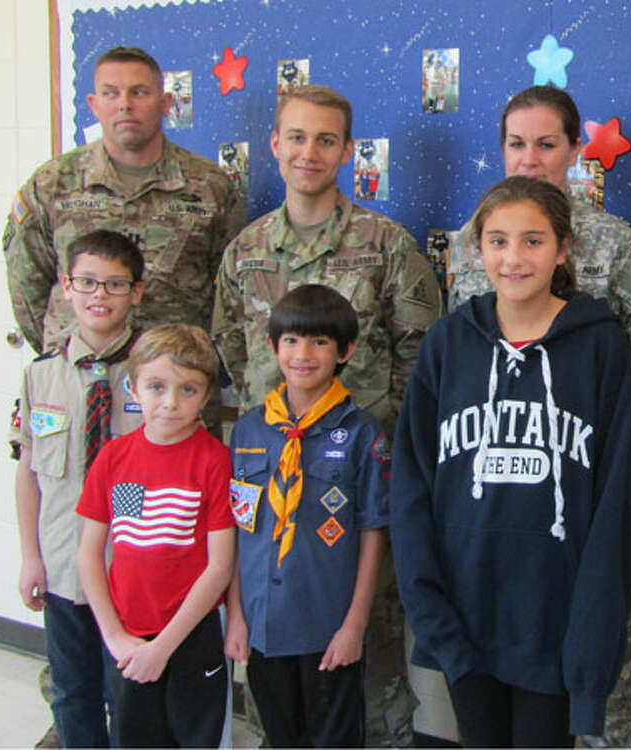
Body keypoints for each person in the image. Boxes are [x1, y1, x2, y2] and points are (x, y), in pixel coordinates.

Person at [447, 85, 631, 746]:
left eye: (546, 144)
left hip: (587, 483)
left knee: (606, 657)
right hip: (498, 486)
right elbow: (459, 363)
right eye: (516, 144)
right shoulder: (471, 243)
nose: (529, 159)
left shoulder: (615, 247)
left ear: (576, 149)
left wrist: (599, 436)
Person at [211, 83, 438, 745]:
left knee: (371, 655)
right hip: (275, 484)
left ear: (346, 151)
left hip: (358, 481)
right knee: (276, 668)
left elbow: (422, 357)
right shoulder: (245, 251)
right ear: (275, 145)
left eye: (326, 140)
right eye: (297, 137)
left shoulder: (386, 245)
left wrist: (380, 440)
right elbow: (232, 346)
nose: (309, 151)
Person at [390, 176, 631, 747]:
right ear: (478, 249)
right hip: (463, 623)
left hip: (556, 628)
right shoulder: (447, 344)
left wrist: (589, 642)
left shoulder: (600, 347)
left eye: (533, 241)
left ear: (563, 248)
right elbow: (410, 489)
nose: (513, 258)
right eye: (498, 241)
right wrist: (432, 616)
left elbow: (615, 505)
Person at [224, 285, 387, 747]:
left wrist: (354, 626)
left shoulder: (361, 433)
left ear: (345, 351)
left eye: (319, 342)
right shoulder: (249, 430)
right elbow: (238, 529)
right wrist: (236, 616)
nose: (303, 355)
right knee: (281, 737)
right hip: (263, 624)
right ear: (271, 346)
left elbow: (372, 531)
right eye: (291, 341)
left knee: (335, 739)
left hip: (326, 625)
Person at [4, 46, 245, 354]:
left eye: (139, 92)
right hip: (78, 368)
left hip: (173, 371)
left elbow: (231, 290)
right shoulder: (52, 184)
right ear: (93, 105)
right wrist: (61, 351)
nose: (125, 105)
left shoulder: (210, 186)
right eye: (111, 93)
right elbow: (27, 285)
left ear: (165, 103)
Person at [11, 230, 145, 748]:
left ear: (137, 291)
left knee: (129, 695)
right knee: (71, 694)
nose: (99, 295)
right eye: (87, 282)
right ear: (66, 286)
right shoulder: (41, 376)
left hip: (131, 571)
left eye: (115, 284)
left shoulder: (157, 375)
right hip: (64, 566)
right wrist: (31, 557)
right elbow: (29, 473)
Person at [75, 324, 235, 748]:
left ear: (206, 396)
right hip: (128, 636)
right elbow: (90, 555)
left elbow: (219, 567)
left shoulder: (215, 461)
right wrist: (114, 636)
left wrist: (161, 649)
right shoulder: (113, 457)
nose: (170, 403)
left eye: (188, 389)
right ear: (132, 387)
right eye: (156, 387)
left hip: (193, 635)